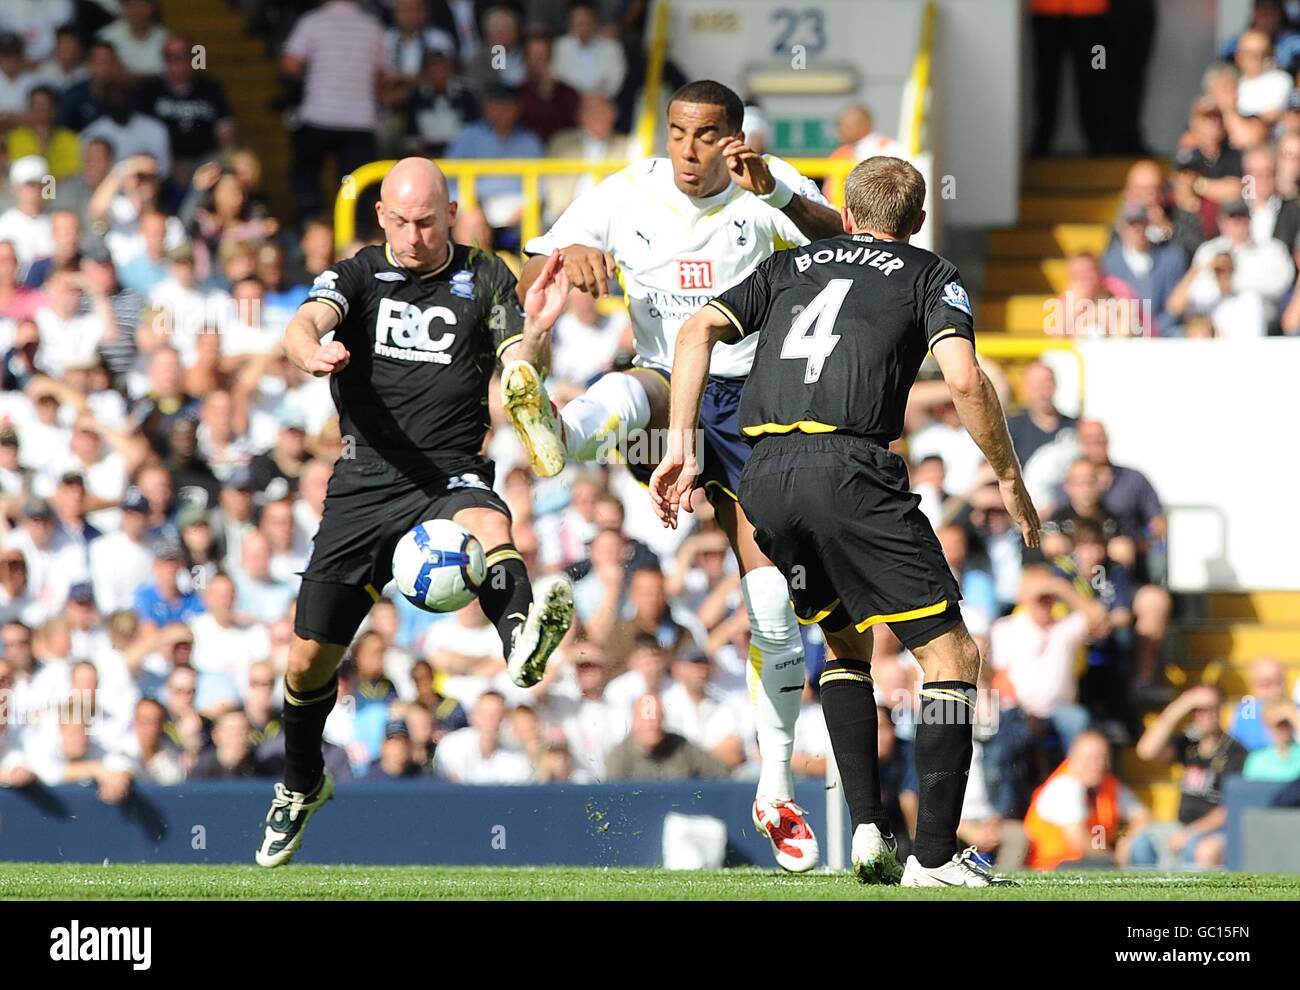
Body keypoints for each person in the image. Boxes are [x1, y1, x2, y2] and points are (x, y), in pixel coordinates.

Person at [651, 155, 1040, 887]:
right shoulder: (929, 272)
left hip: (764, 476)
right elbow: (962, 378)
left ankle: (868, 830)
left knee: (846, 643)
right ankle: (936, 855)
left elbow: (696, 330)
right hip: (849, 467)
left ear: (851, 216)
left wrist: (680, 444)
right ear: (915, 221)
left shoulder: (790, 265)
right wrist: (1010, 477)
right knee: (951, 658)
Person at [500, 79, 842, 872]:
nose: (691, 151)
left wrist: (785, 202)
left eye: (708, 135)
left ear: (735, 137)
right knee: (632, 386)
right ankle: (558, 429)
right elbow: (531, 285)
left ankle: (775, 787)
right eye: (679, 133)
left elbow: (843, 242)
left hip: (760, 405)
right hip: (670, 388)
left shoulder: (768, 185)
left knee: (771, 604)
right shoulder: (625, 194)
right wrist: (566, 257)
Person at [253, 158, 575, 867]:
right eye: (399, 220)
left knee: (490, 525)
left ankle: (521, 638)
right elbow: (305, 322)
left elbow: (521, 358)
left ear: (452, 212)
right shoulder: (361, 273)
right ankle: (302, 782)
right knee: (308, 664)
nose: (414, 234)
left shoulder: (486, 275)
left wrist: (538, 337)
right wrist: (310, 352)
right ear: (381, 218)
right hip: (364, 482)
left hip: (448, 474)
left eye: (427, 221)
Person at [1132, 684, 1249, 868]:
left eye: (1209, 708)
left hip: (1216, 830)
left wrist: (1191, 832)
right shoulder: (1189, 744)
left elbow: (1229, 809)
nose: (1202, 714)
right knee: (1140, 844)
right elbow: (1146, 751)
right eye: (1197, 709)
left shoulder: (1236, 752)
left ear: (1220, 709)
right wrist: (1179, 707)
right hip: (1181, 826)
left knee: (1197, 849)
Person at [1023, 730, 1151, 869]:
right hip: (1053, 865)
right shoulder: (1065, 785)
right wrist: (1115, 859)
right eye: (1091, 758)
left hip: (1092, 861)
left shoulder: (1108, 785)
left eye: (1104, 757)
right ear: (1074, 758)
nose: (1099, 763)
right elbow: (1079, 840)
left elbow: (1143, 817)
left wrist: (1127, 841)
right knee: (1106, 867)